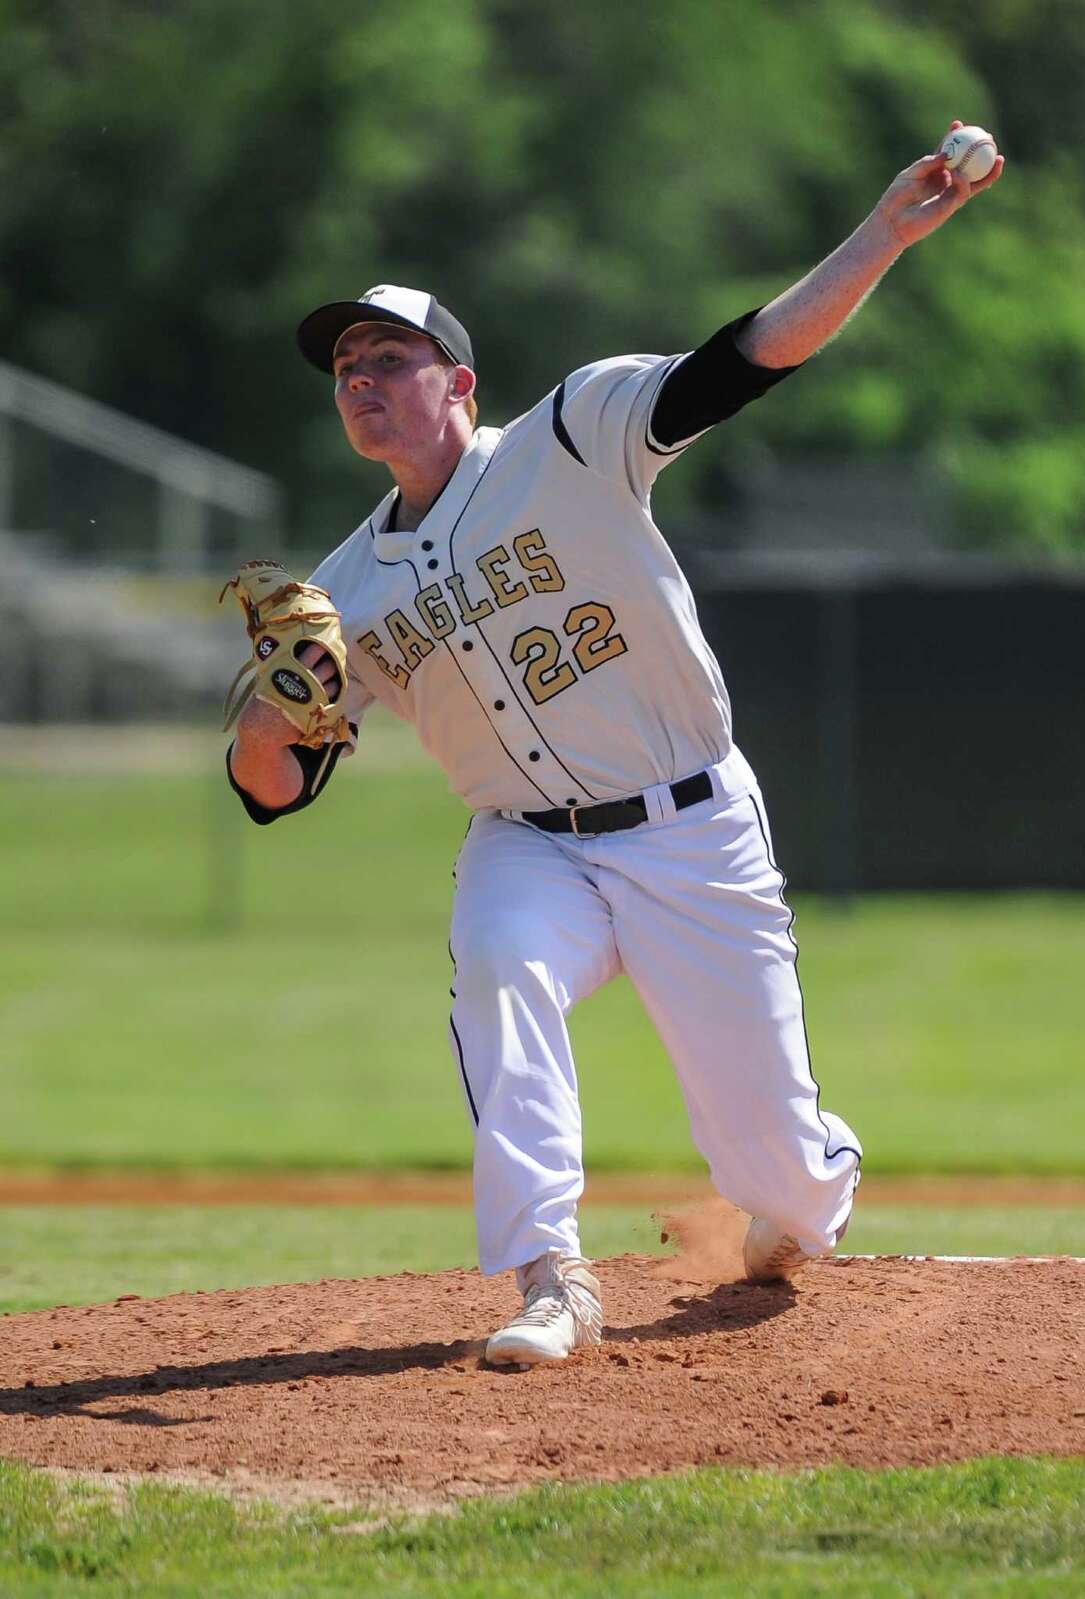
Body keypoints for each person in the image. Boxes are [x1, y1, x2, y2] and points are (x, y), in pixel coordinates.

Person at [228, 126, 1003, 1366]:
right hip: (526, 850)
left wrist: (884, 234)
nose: (360, 379)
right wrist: (272, 706)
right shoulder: (342, 593)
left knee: (784, 1187)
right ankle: (552, 1278)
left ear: (461, 386)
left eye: (390, 356)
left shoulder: (573, 436)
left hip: (692, 828)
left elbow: (747, 358)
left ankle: (814, 1173)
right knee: (500, 972)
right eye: (343, 370)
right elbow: (271, 791)